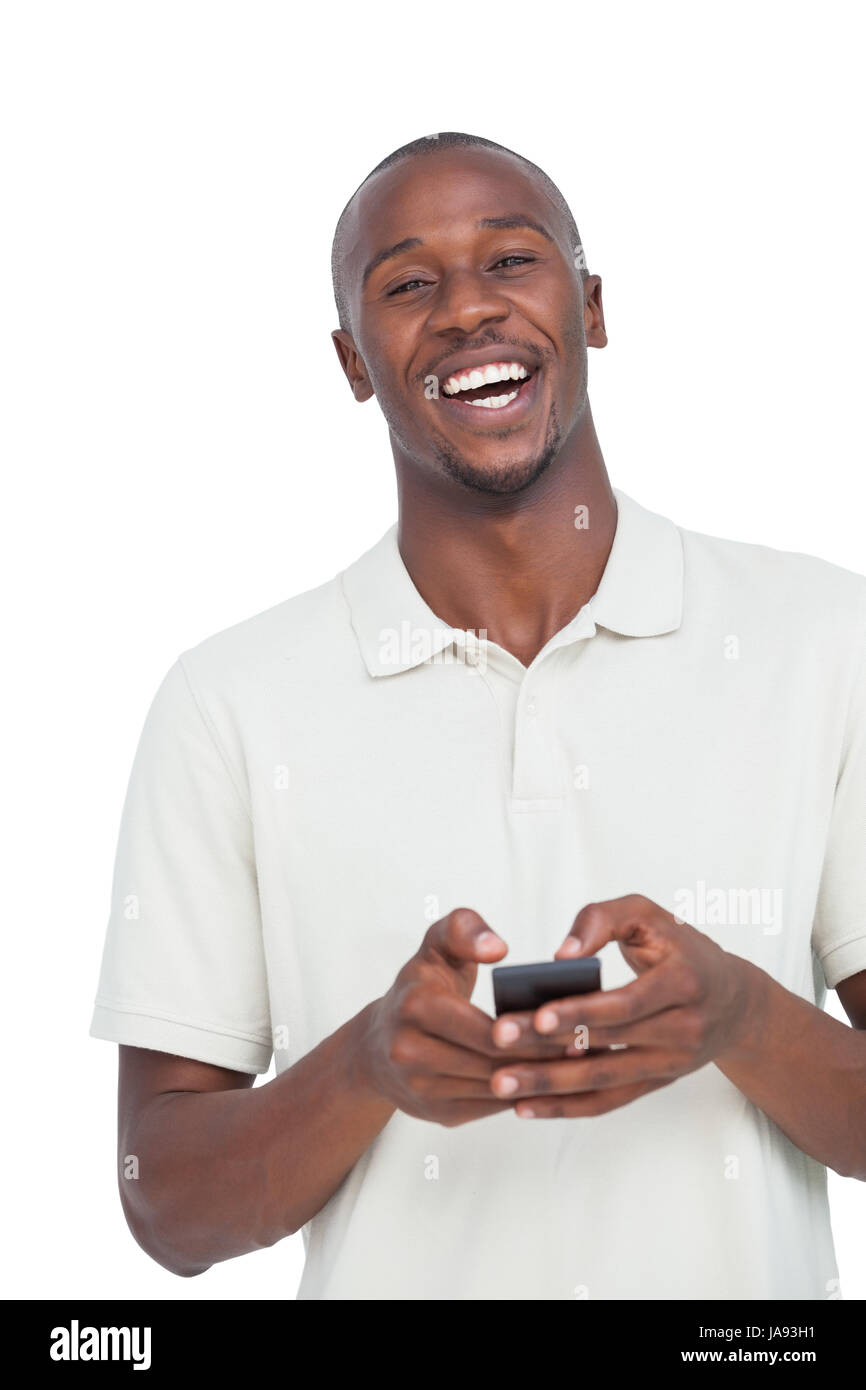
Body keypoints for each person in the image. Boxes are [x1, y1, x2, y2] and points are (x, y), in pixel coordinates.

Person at [90, 132, 866, 1300]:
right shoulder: (228, 702)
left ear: (590, 306)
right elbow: (165, 1203)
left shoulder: (820, 638)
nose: (465, 309)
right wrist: (363, 1066)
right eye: (408, 284)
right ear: (353, 360)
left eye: (510, 260)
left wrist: (743, 1015)